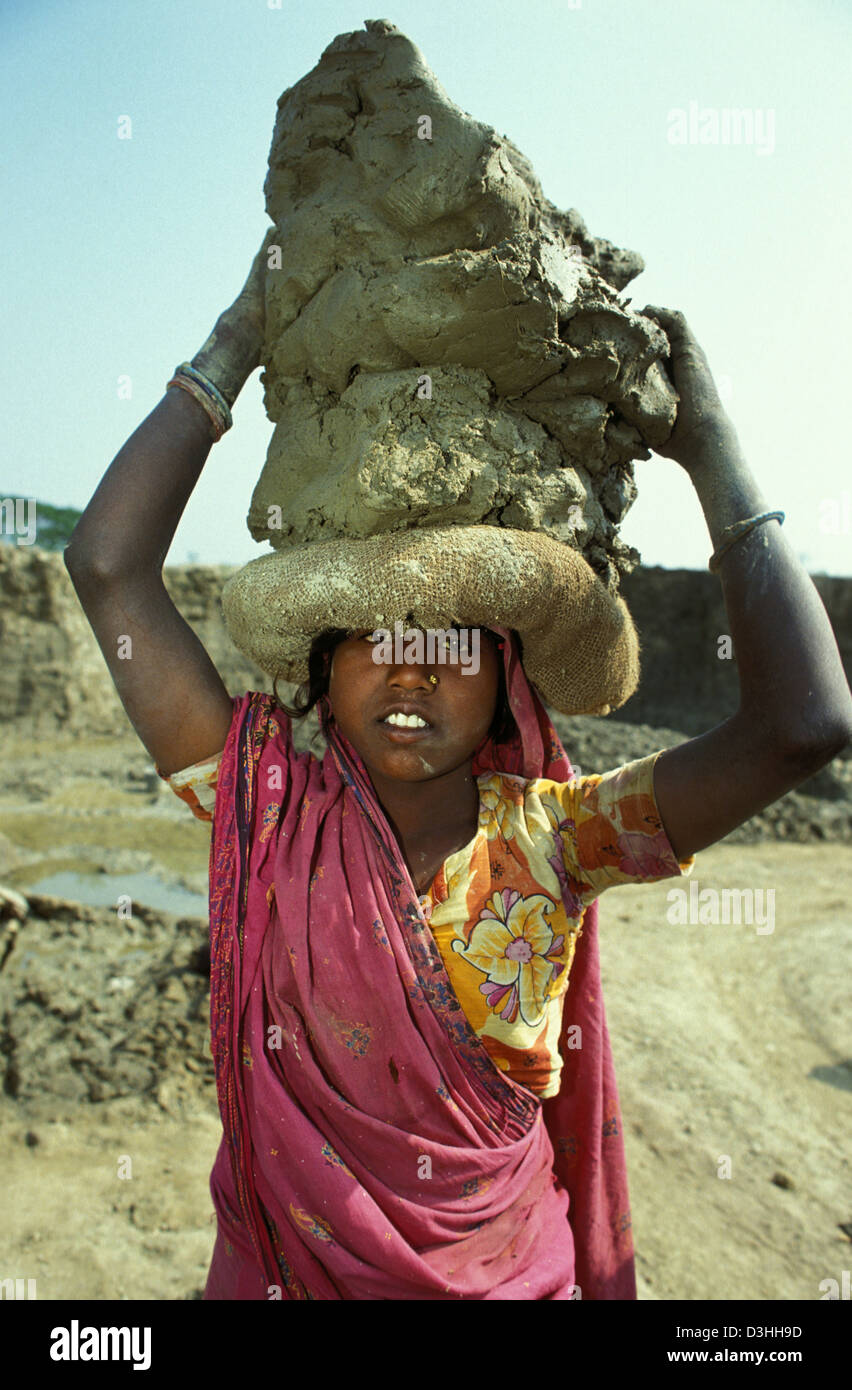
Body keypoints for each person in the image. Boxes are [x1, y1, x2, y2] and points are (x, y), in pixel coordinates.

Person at [65, 235, 852, 1300]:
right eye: (375, 637)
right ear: (322, 671)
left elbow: (802, 724)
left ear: (504, 683)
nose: (411, 670)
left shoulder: (561, 839)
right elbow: (107, 565)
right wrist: (234, 344)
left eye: (451, 643)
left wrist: (712, 450)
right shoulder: (263, 806)